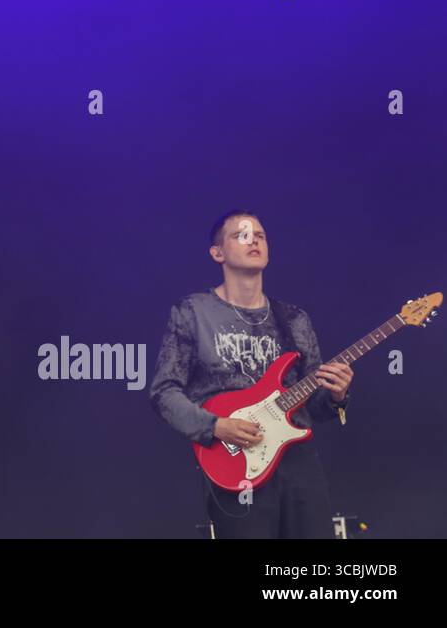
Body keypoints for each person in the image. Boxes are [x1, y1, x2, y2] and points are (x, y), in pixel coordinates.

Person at [150, 209, 353, 538]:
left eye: (259, 235)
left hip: (296, 460)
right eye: (241, 235)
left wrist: (337, 395)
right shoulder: (193, 312)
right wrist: (216, 426)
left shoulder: (294, 318)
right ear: (218, 252)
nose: (253, 240)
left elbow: (315, 406)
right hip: (233, 459)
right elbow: (164, 392)